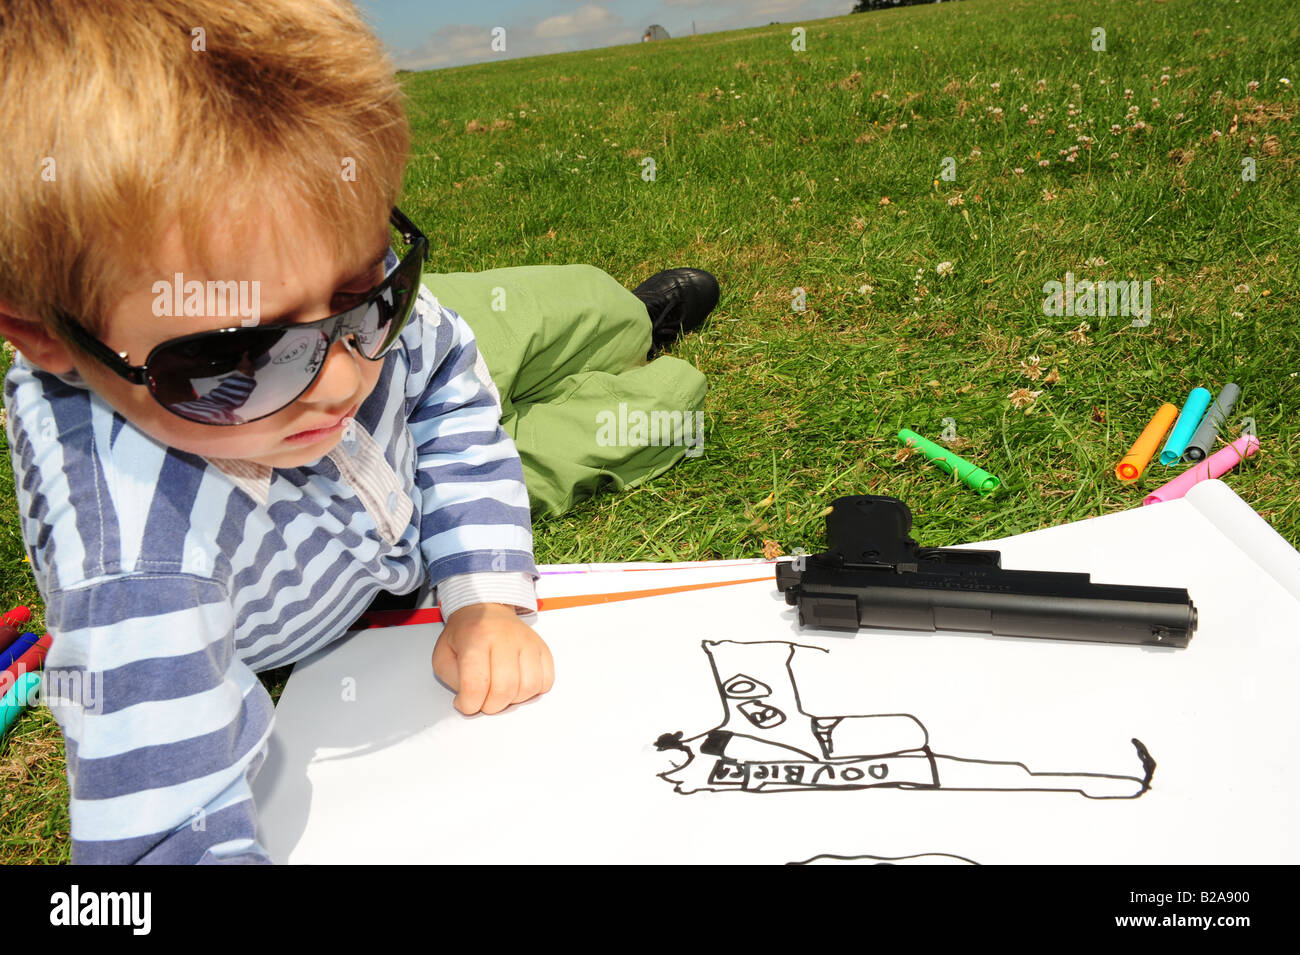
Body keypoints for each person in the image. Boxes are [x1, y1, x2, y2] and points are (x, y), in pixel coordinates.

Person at [0, 0, 716, 863]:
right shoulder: (137, 568)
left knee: (585, 303)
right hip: (391, 520)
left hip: (425, 393)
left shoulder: (346, 334)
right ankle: (641, 351)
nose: (341, 381)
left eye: (369, 278)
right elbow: (162, 842)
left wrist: (483, 591)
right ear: (48, 338)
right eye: (243, 355)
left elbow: (441, 370)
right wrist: (478, 580)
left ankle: (630, 316)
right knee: (663, 406)